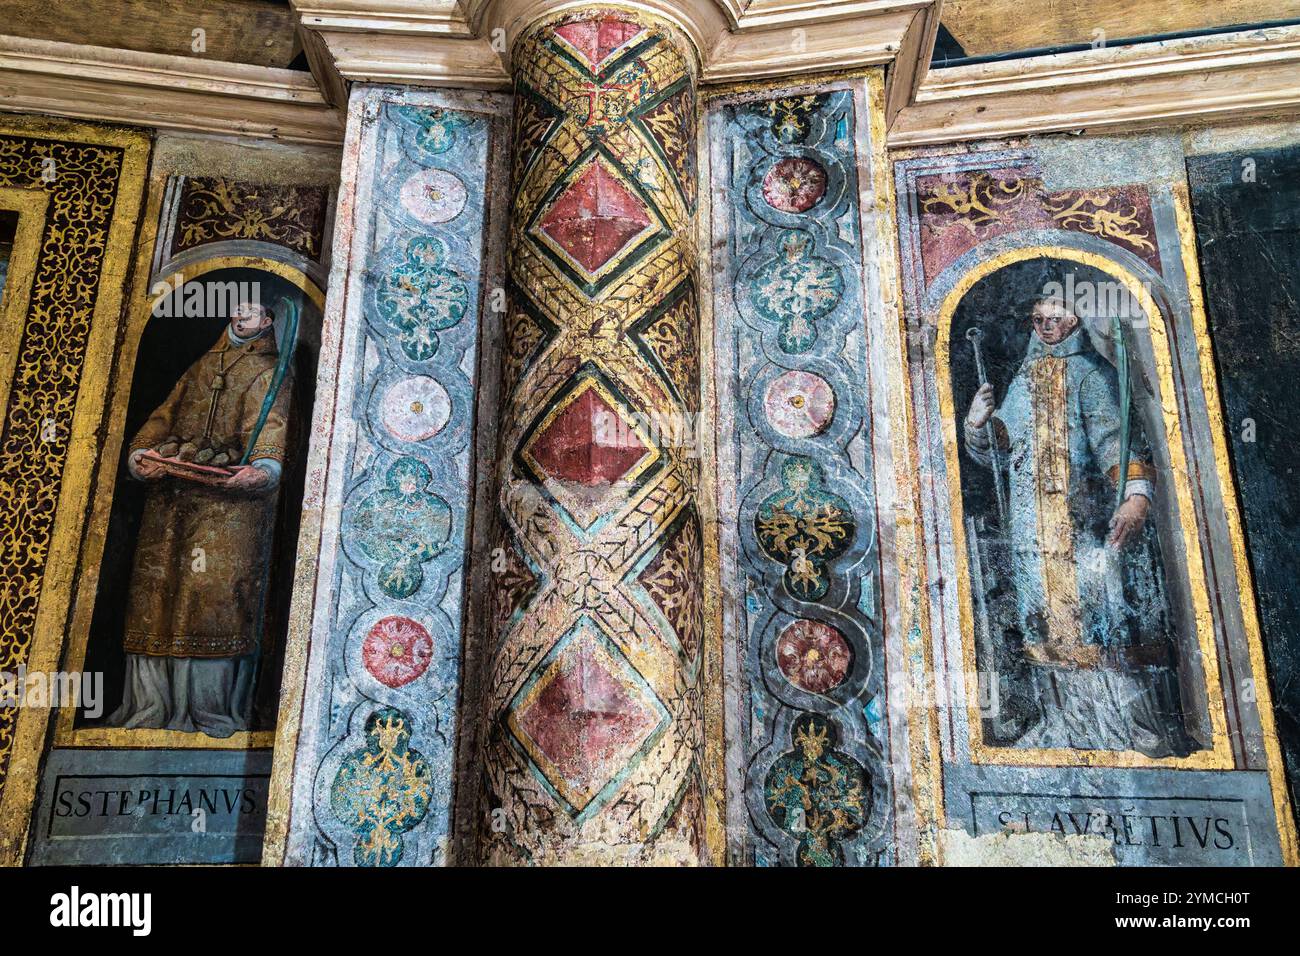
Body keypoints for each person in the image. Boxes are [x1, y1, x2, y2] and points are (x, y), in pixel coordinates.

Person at [964, 295, 1176, 754]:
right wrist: (981, 426)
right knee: (1044, 626)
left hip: (1082, 524)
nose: (1045, 327)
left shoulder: (1092, 375)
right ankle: (1063, 725)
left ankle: (1119, 731)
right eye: (1037, 319)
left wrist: (1136, 499)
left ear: (1073, 320)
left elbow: (1115, 444)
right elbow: (1004, 450)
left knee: (1098, 624)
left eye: (1054, 319)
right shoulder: (1024, 378)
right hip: (1032, 528)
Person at [108, 301, 293, 737]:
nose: (238, 318)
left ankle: (211, 711)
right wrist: (142, 455)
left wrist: (263, 470)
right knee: (157, 598)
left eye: (249, 313)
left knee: (213, 603)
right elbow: (162, 418)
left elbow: (272, 429)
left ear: (267, 322)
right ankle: (151, 708)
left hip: (228, 512)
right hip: (169, 506)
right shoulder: (201, 365)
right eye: (235, 311)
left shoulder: (270, 371)